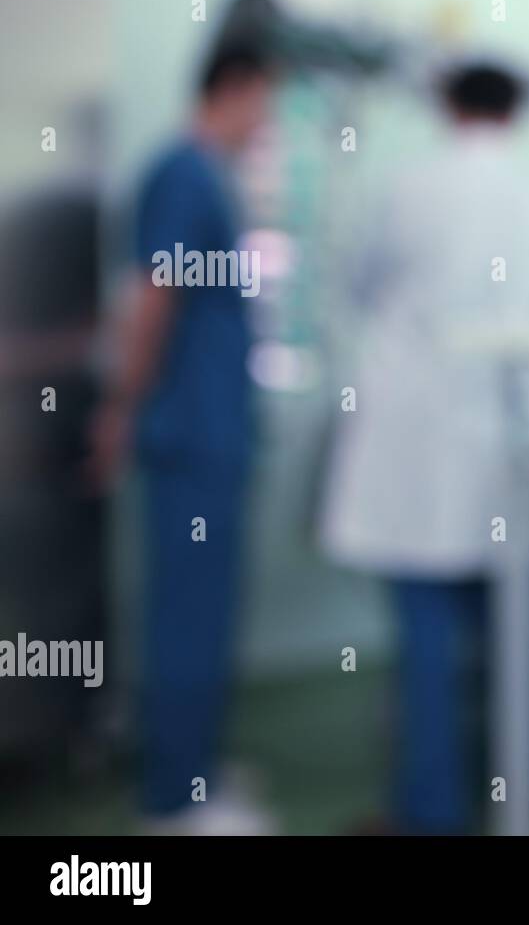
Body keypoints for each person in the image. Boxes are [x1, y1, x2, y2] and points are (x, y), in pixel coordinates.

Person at [320, 62, 529, 834]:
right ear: (516, 111)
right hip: (497, 436)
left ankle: (431, 815)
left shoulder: (408, 184)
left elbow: (355, 284)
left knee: (426, 640)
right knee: (507, 641)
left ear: (446, 106)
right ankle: (519, 794)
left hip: (413, 435)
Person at [87, 43, 276, 834]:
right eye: (264, 104)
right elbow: (156, 297)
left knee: (206, 608)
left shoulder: (203, 177)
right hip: (190, 434)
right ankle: (172, 800)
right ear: (232, 90)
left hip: (211, 431)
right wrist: (122, 405)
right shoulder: (183, 174)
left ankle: (193, 767)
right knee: (188, 615)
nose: (266, 125)